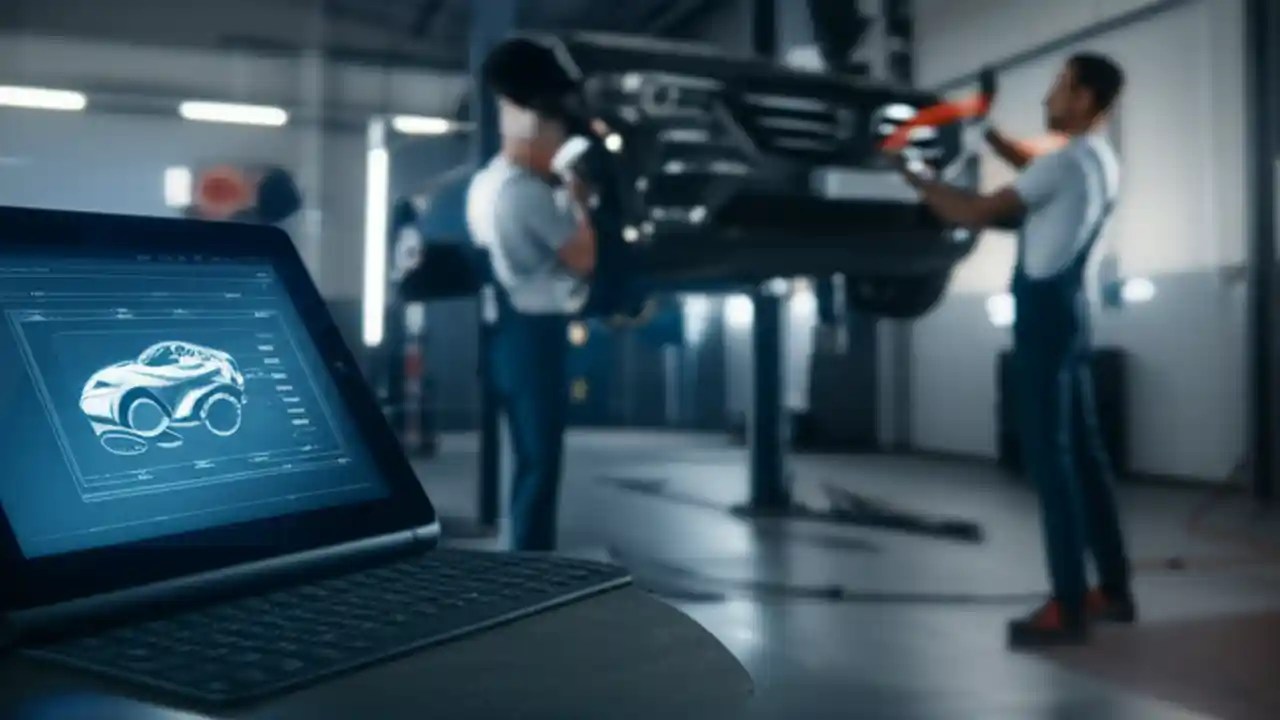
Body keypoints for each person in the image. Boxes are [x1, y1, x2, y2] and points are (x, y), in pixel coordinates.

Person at [891, 54, 1135, 647]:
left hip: (1045, 321)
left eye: (1058, 87)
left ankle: (1068, 606)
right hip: (1076, 318)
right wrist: (989, 134)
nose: (1048, 97)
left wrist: (917, 178)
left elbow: (978, 212)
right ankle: (1115, 591)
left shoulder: (1065, 162)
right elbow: (1034, 168)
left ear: (1083, 99)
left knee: (1051, 463)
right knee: (1086, 457)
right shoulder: (1097, 159)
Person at [465, 38, 598, 552]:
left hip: (506, 331)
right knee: (540, 460)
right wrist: (579, 199)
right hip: (532, 336)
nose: (558, 133)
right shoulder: (524, 191)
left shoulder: (487, 183)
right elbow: (584, 257)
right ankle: (530, 564)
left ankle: (523, 554)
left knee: (524, 457)